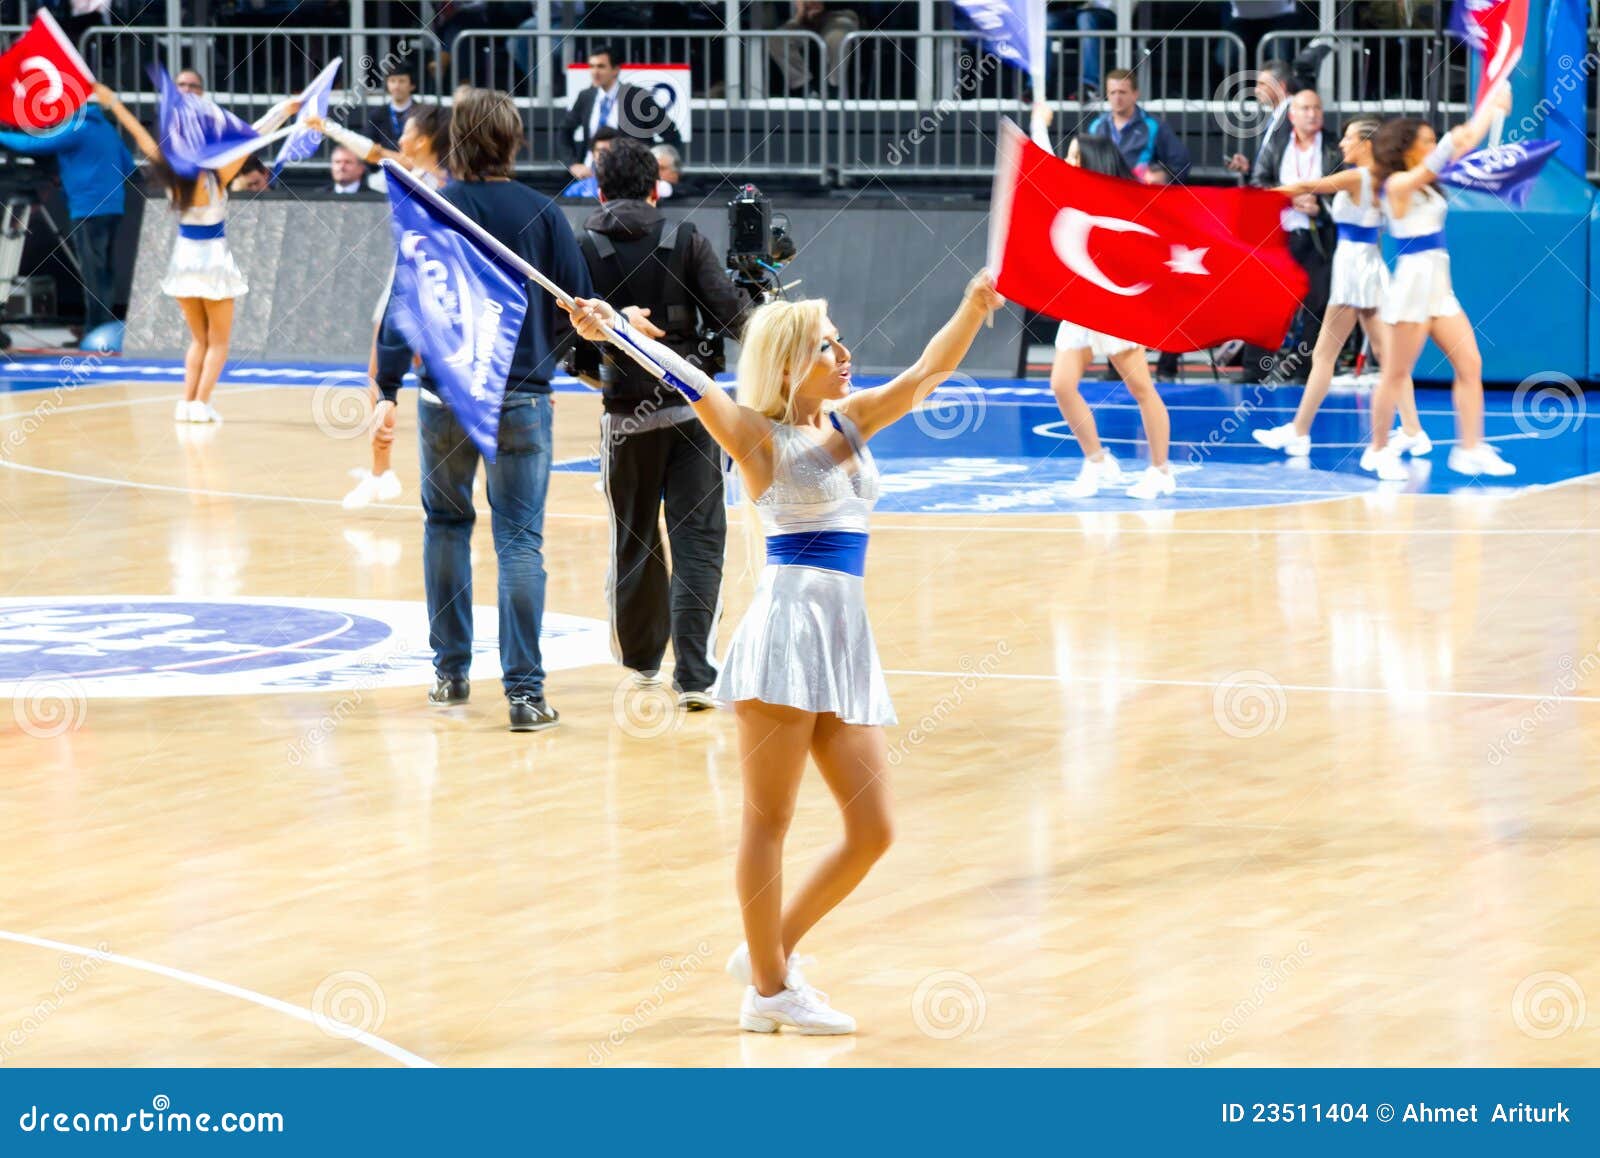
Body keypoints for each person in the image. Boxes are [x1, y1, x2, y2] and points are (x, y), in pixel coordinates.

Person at [564, 268, 1005, 1035]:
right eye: (826, 346)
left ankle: (769, 954)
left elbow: (927, 373)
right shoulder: (758, 438)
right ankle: (769, 991)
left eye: (838, 341)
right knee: (768, 822)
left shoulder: (848, 427)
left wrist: (972, 304)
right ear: (789, 364)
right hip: (785, 635)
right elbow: (693, 380)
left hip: (842, 638)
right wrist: (615, 329)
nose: (843, 353)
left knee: (874, 831)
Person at [374, 88, 594, 730]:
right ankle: (525, 695)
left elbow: (403, 306)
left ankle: (450, 673)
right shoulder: (544, 213)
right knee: (519, 538)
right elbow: (579, 307)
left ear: (454, 144)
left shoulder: (434, 213)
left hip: (445, 396)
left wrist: (387, 385)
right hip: (522, 396)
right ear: (514, 141)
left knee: (445, 525)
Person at [567, 140, 750, 711]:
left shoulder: (580, 248)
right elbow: (737, 317)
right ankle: (695, 674)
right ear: (655, 188)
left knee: (635, 539)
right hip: (695, 412)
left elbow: (567, 346)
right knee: (700, 539)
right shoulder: (686, 239)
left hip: (624, 419)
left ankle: (644, 663)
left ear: (598, 191)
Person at [1254, 116, 1427, 460]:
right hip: (1366, 265)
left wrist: (1256, 196)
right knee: (1389, 357)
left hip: (1354, 269)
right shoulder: (1384, 179)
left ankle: (1300, 432)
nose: (1342, 144)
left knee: (1324, 355)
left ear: (1366, 144)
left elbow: (1306, 185)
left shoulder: (1356, 176)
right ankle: (1413, 430)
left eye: (1349, 138)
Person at [1365, 88, 1516, 480]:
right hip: (1412, 287)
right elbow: (1442, 156)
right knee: (1396, 376)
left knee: (1470, 364)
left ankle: (1469, 449)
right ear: (1406, 148)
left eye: (1434, 139)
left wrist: (1491, 105)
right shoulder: (1396, 185)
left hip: (1439, 286)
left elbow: (1462, 142)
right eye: (1427, 140)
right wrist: (1453, 138)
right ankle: (1378, 450)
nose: (1434, 144)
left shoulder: (1429, 179)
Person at [311, 105, 453, 510]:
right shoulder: (412, 168)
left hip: (440, 292)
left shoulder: (452, 181)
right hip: (401, 282)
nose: (400, 138)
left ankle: (458, 470)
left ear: (425, 139)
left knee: (448, 386)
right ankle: (381, 472)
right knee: (378, 378)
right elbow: (373, 152)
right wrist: (327, 126)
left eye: (407, 131)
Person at [94, 81, 257, 424]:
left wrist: (114, 103)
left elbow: (140, 135)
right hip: (212, 259)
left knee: (199, 339)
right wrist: (288, 114)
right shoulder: (218, 175)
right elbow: (253, 137)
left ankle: (187, 403)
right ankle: (201, 403)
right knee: (219, 342)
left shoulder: (170, 173)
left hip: (183, 259)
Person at [1040, 133, 1174, 500]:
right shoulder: (1067, 195)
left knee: (1141, 389)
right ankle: (1097, 461)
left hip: (1115, 306)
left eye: (1074, 157)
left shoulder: (1119, 202)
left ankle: (1160, 469)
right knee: (1061, 385)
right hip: (1080, 306)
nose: (1067, 163)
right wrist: (1039, 119)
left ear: (1093, 161)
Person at [0, 94, 133, 335]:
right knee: (104, 271)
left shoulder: (77, 128)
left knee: (92, 272)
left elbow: (34, 145)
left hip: (87, 208)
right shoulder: (107, 129)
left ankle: (95, 330)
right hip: (113, 208)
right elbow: (128, 166)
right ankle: (105, 327)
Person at [1249, 87, 1339, 377]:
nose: (1312, 114)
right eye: (1305, 109)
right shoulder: (1276, 144)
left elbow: (1346, 189)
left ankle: (1304, 368)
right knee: (1267, 300)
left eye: (1317, 109)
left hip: (1319, 237)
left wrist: (1321, 208)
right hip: (1281, 235)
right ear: (1292, 115)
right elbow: (1258, 182)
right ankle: (1255, 369)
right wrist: (1288, 199)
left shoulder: (1333, 146)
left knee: (1317, 300)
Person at [559, 46, 683, 182]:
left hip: (630, 179)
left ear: (616, 70)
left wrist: (649, 163)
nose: (595, 72)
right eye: (592, 66)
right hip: (590, 176)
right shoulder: (586, 96)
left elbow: (671, 133)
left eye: (601, 66)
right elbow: (564, 131)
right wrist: (573, 164)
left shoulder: (637, 97)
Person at [1081, 70, 1190, 182]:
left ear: (1135, 94)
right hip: (1104, 193)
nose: (1117, 98)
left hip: (1140, 195)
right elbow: (1084, 164)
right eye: (1112, 93)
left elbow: (1181, 163)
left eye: (1122, 92)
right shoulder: (1096, 126)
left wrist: (1164, 176)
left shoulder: (1154, 125)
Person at [770, 1, 859, 96]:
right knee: (777, 39)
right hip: (801, 14)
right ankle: (804, 87)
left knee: (838, 39)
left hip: (838, 14)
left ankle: (833, 88)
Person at [364, 66, 417, 153]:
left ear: (412, 85)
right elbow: (369, 147)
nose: (396, 86)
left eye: (402, 81)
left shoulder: (423, 113)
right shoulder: (375, 115)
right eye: (392, 81)